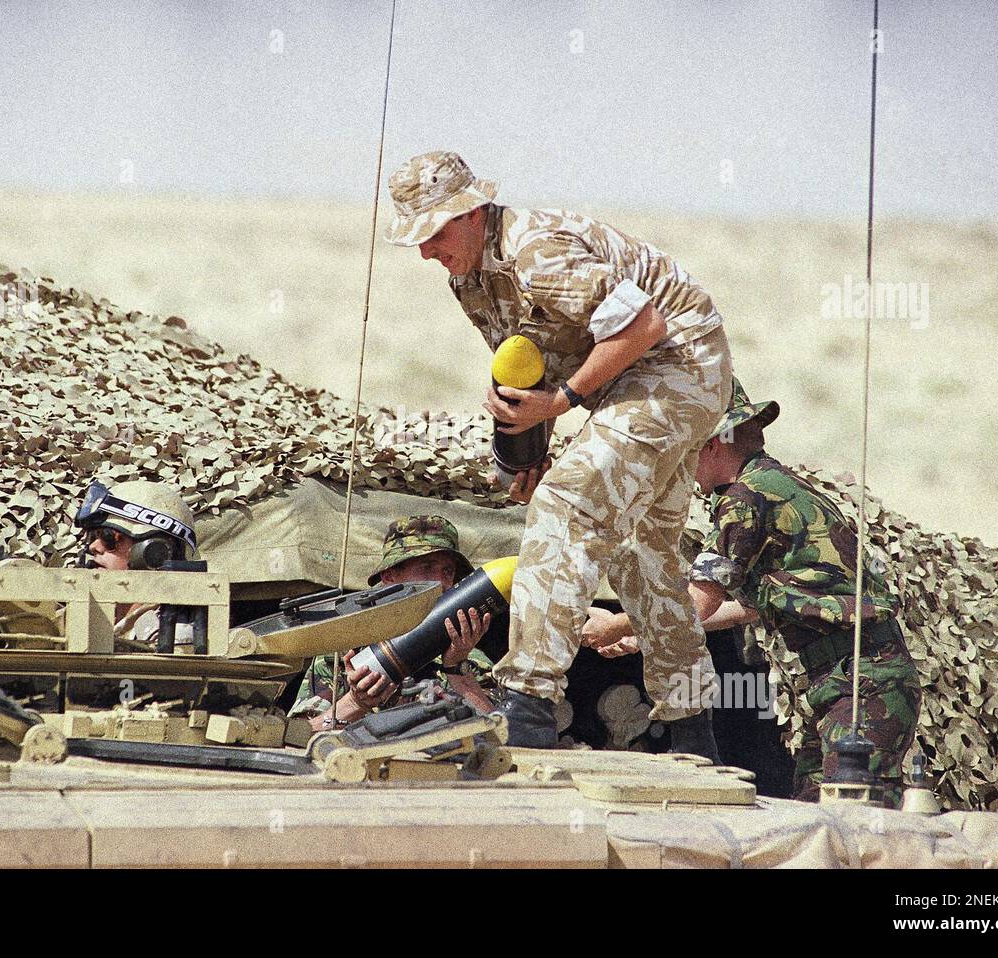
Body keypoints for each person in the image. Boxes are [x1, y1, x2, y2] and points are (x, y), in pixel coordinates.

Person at [385, 151, 732, 756]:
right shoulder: (470, 277)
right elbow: (525, 363)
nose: (426, 251)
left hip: (676, 366)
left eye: (435, 233)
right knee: (638, 547)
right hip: (631, 382)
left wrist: (565, 402)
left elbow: (644, 325)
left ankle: (528, 702)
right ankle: (691, 723)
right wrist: (527, 450)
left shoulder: (536, 253)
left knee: (567, 506)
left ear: (472, 213)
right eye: (417, 238)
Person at [683, 379, 921, 806]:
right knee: (816, 812)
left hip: (862, 681)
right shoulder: (773, 485)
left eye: (685, 450)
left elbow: (699, 603)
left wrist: (623, 625)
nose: (682, 467)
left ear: (713, 444)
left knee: (852, 822)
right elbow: (749, 609)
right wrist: (637, 636)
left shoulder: (747, 497)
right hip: (843, 680)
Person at [288, 516, 497, 730]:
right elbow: (301, 735)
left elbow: (501, 738)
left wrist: (458, 672)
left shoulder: (468, 662)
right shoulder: (343, 655)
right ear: (389, 576)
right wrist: (355, 703)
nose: (441, 582)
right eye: (426, 567)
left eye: (447, 571)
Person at [72, 478, 202, 647]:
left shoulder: (169, 639)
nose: (94, 547)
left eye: (108, 537)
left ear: (155, 551)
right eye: (92, 537)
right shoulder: (78, 621)